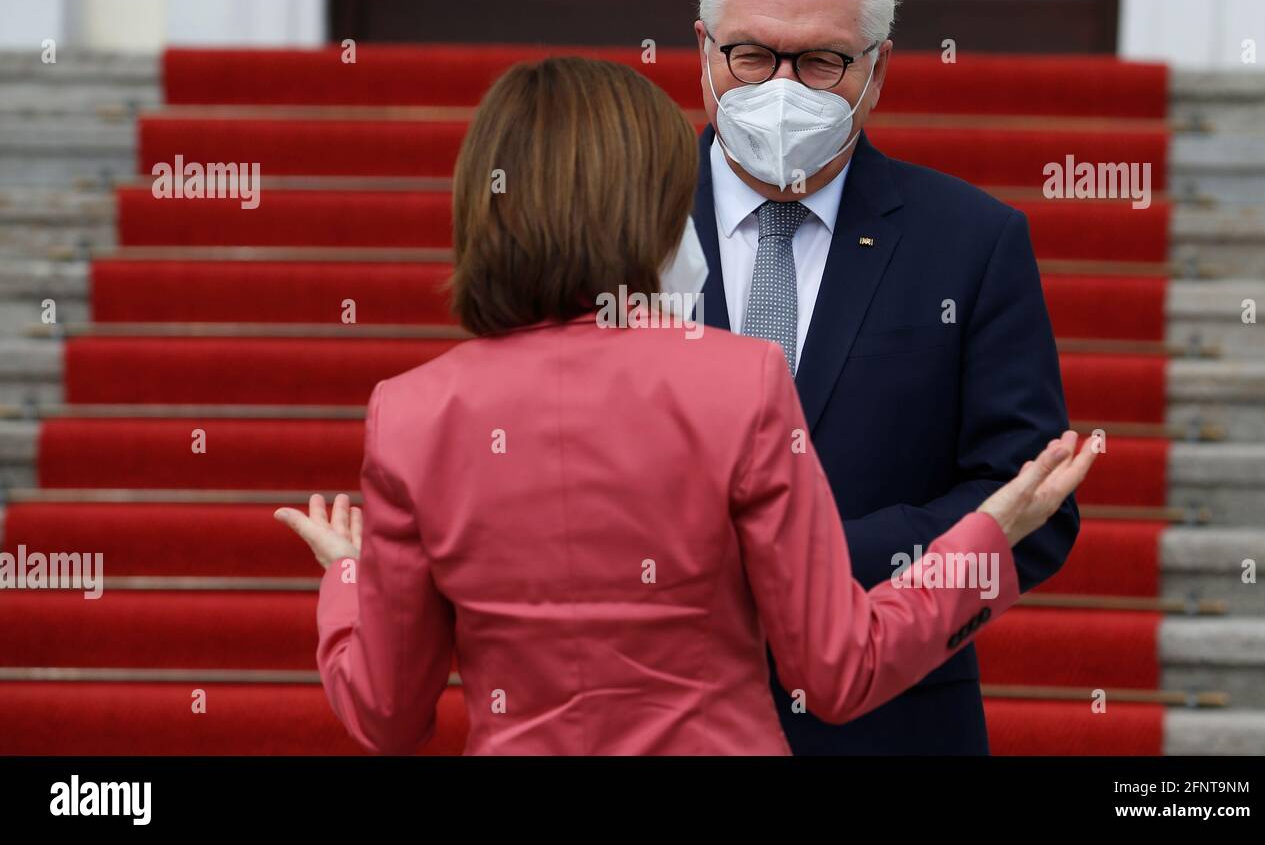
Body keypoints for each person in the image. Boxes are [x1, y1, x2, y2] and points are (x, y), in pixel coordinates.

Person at [276, 56, 1097, 755]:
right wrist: (986, 541)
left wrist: (349, 578)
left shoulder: (412, 412)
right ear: (650, 206)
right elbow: (840, 668)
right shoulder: (740, 382)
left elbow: (386, 712)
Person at [690, 0, 1082, 755]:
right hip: (666, 711)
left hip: (893, 721)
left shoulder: (970, 242)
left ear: (878, 71)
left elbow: (1031, 502)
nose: (783, 87)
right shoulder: (621, 225)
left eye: (822, 60)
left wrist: (814, 554)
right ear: (703, 51)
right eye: (752, 55)